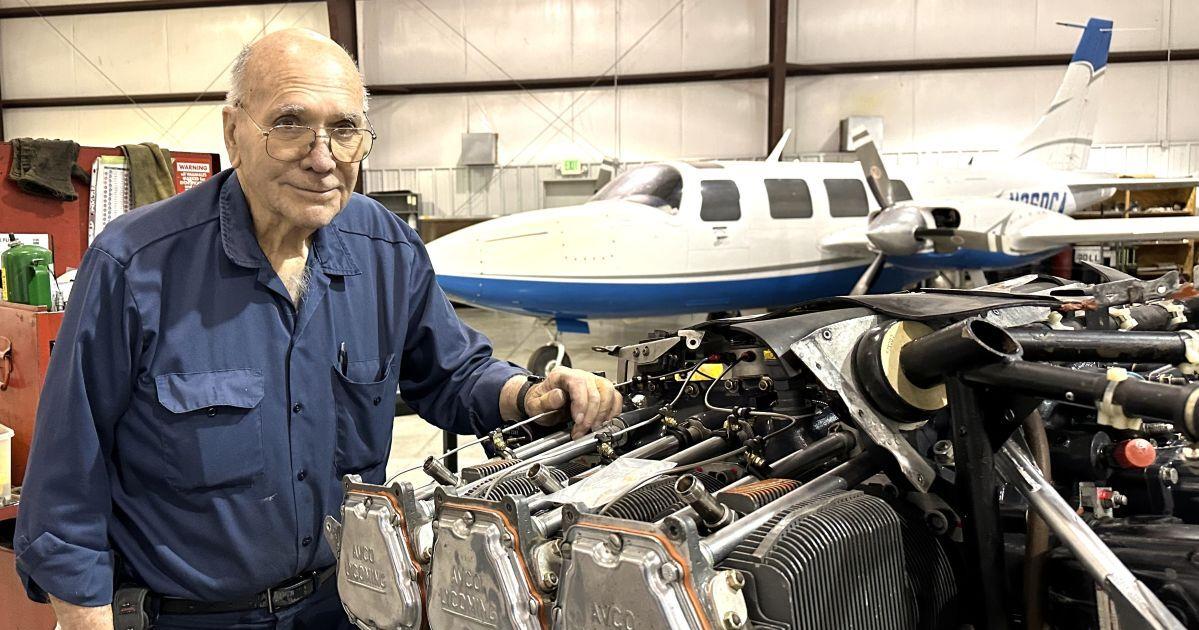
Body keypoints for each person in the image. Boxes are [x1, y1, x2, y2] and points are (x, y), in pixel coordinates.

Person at [14, 29, 621, 630]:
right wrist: (84, 614)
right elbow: (68, 469)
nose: (323, 156)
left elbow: (453, 374)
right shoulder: (135, 264)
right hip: (191, 617)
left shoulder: (386, 249)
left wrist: (526, 394)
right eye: (289, 124)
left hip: (352, 604)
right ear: (234, 133)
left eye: (345, 129)